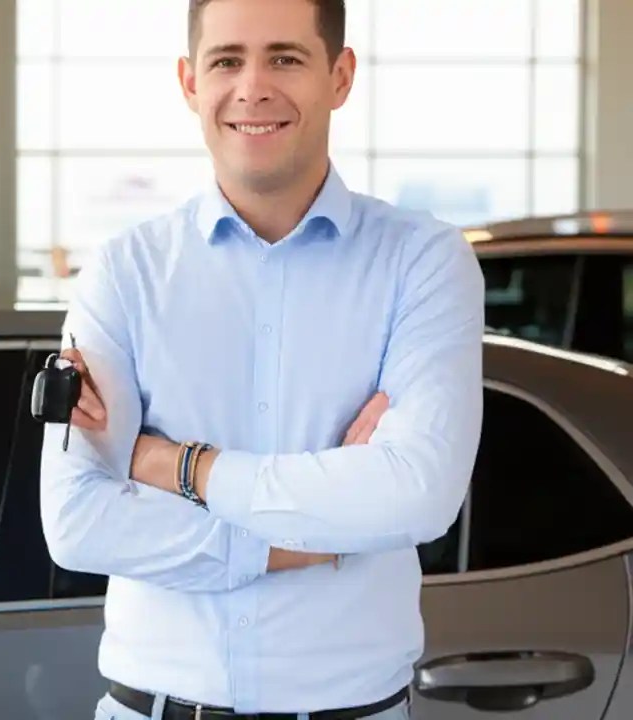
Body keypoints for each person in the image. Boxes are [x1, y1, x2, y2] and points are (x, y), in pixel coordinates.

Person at [37, 0, 486, 718]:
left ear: (339, 76)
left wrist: (170, 464)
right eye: (226, 61)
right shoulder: (124, 273)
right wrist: (314, 533)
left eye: (285, 57)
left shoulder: (424, 262)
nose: (252, 87)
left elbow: (417, 495)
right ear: (189, 82)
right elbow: (78, 522)